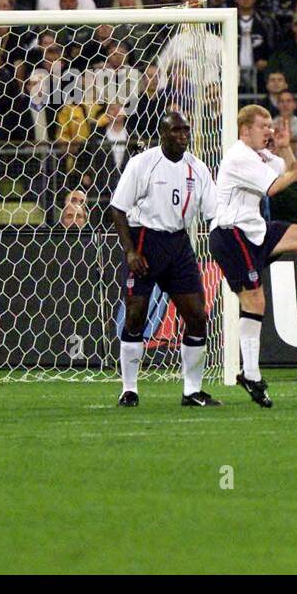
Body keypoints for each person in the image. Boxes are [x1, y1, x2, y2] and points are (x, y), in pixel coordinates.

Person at [209, 105, 297, 408]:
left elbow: (293, 179)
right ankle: (250, 373)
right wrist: (296, 168)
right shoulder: (239, 157)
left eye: (269, 126)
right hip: (231, 234)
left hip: (254, 230)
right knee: (255, 301)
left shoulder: (261, 155)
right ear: (245, 130)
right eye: (263, 126)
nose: (269, 131)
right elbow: (275, 187)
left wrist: (287, 150)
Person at [108, 111, 218, 408]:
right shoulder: (142, 163)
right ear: (162, 133)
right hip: (145, 240)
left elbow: (213, 213)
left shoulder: (198, 168)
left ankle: (192, 391)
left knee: (196, 315)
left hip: (179, 244)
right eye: (176, 131)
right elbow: (118, 208)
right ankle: (129, 389)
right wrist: (130, 251)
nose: (182, 136)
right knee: (135, 314)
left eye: (186, 130)